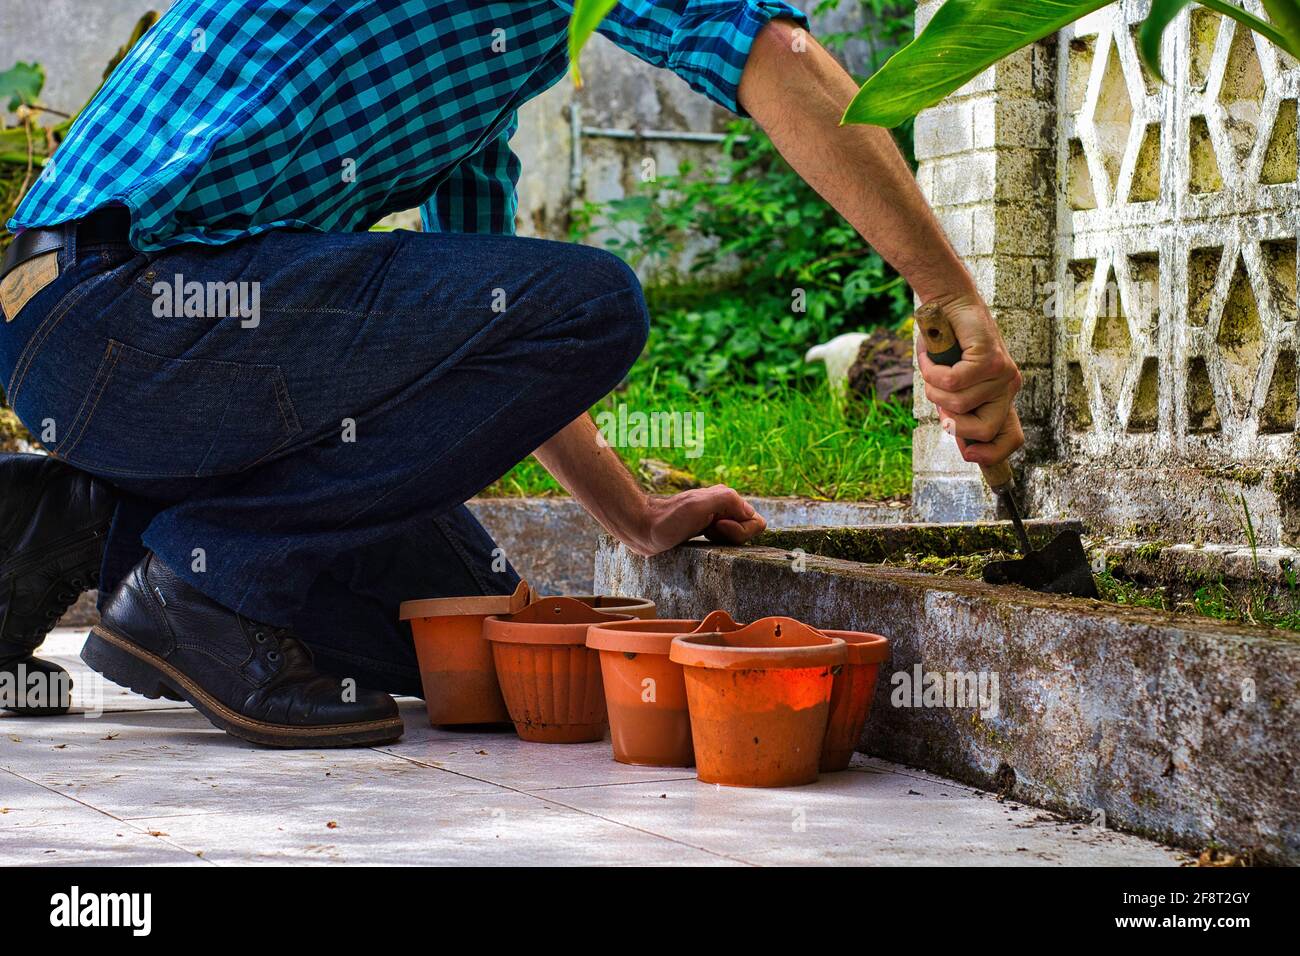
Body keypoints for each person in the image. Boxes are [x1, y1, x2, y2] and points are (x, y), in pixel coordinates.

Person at [0, 0, 1022, 745]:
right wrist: (948, 293)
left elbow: (497, 350)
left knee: (470, 639)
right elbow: (778, 56)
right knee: (598, 299)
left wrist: (635, 517)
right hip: (113, 308)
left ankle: (91, 508)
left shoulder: (479, 84)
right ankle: (202, 577)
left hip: (97, 351)